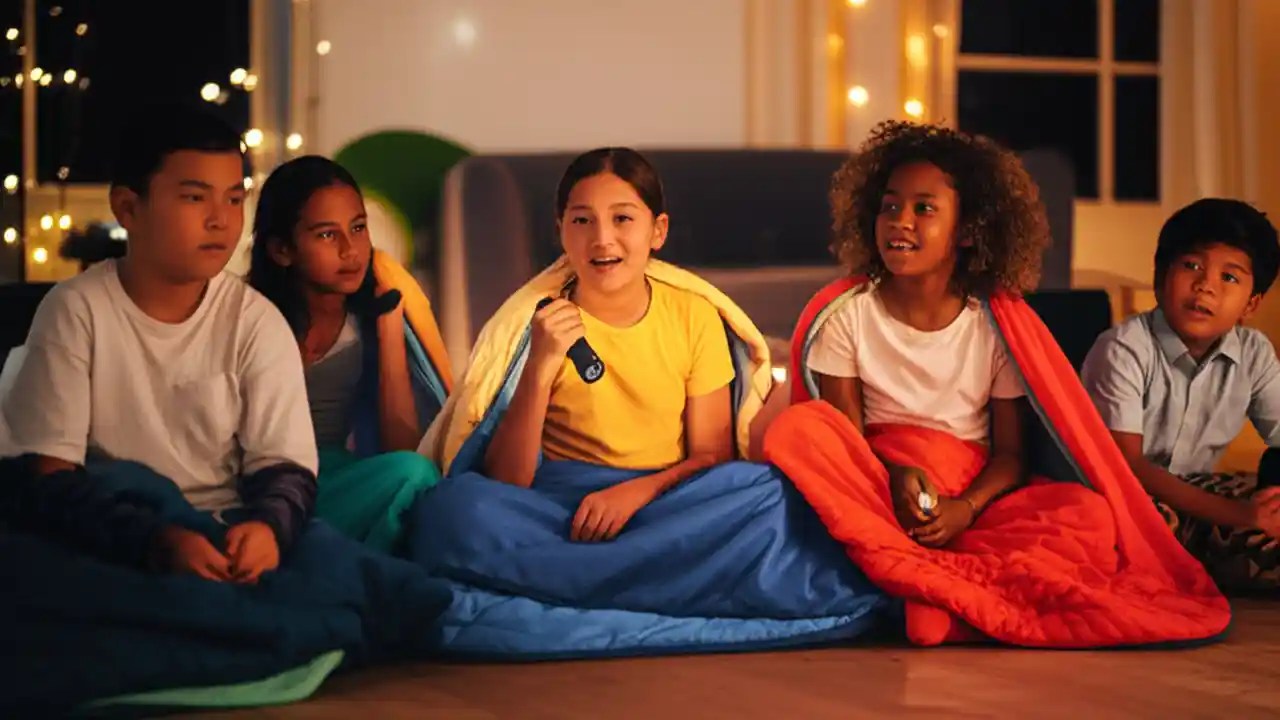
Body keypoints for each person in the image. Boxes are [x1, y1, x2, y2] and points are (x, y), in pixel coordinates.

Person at [0, 102, 317, 583]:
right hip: (119, 526)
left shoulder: (255, 321)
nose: (221, 220)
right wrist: (153, 541)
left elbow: (285, 465)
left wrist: (268, 528)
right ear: (128, 208)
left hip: (225, 528)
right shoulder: (76, 310)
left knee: (335, 561)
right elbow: (50, 476)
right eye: (195, 198)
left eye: (234, 199)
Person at [805, 120, 1048, 548]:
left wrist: (965, 507)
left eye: (924, 208)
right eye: (890, 206)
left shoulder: (994, 327)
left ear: (969, 231)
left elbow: (1010, 457)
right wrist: (894, 475)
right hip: (876, 481)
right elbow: (845, 443)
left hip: (967, 489)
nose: (900, 221)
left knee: (1085, 516)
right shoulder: (847, 318)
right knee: (795, 432)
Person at [481, 147, 737, 541]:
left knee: (765, 495)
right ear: (561, 231)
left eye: (622, 219)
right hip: (564, 508)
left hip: (664, 500)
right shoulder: (536, 322)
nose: (602, 239)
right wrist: (539, 365)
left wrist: (635, 494)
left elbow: (712, 457)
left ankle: (584, 574)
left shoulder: (694, 316)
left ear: (658, 231)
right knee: (458, 511)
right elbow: (505, 482)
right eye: (582, 220)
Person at [247, 155, 450, 553]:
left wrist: (390, 326)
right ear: (282, 249)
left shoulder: (368, 317)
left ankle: (352, 571)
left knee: (416, 476)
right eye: (326, 235)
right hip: (261, 483)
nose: (350, 250)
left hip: (335, 479)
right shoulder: (247, 317)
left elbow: (402, 450)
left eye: (358, 228)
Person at [1081, 198, 1280, 591]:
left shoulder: (1253, 352)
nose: (1206, 285)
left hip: (1200, 492)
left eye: (1230, 277)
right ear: (1160, 278)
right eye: (1192, 266)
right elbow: (1128, 468)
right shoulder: (1123, 349)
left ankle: (1204, 562)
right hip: (1123, 494)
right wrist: (1241, 515)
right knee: (1110, 534)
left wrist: (1266, 505)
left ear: (1251, 304)